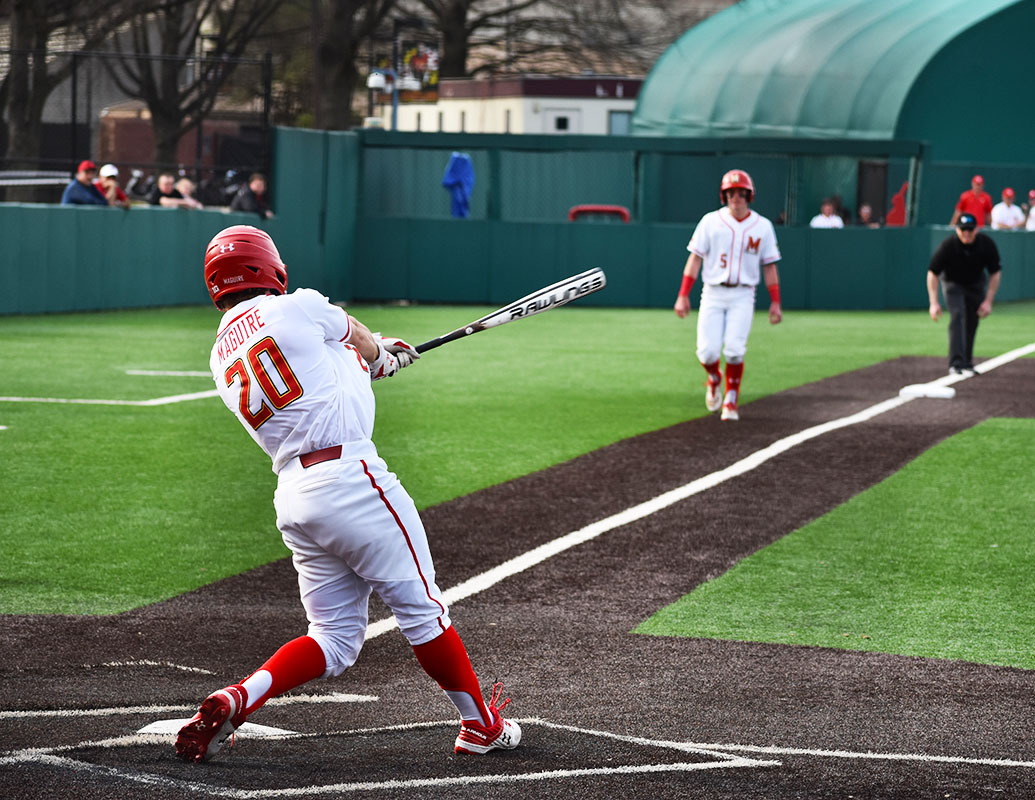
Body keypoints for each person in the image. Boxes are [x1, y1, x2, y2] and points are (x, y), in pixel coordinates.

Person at [175, 225, 521, 763]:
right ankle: (480, 724)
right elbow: (355, 335)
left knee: (333, 639)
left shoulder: (220, 354)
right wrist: (381, 354)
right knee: (423, 610)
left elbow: (323, 372)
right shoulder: (299, 305)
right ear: (271, 268)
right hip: (352, 479)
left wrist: (372, 361)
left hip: (295, 495)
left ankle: (238, 696)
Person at [673, 169, 782, 422]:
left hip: (743, 294)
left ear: (749, 195)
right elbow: (695, 259)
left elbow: (770, 266)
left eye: (741, 192)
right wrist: (683, 295)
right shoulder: (710, 221)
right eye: (731, 192)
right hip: (712, 293)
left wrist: (776, 301)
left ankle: (731, 399)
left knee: (734, 349)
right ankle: (714, 378)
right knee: (707, 353)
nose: (736, 197)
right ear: (724, 195)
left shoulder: (763, 226)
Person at [926, 213, 1002, 376]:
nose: (966, 233)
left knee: (972, 320)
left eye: (970, 230)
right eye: (963, 230)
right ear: (957, 230)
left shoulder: (985, 244)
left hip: (975, 285)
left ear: (976, 230)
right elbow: (933, 273)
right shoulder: (948, 246)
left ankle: (966, 362)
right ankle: (956, 363)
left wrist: (988, 301)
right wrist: (934, 303)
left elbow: (995, 272)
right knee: (958, 315)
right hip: (953, 283)